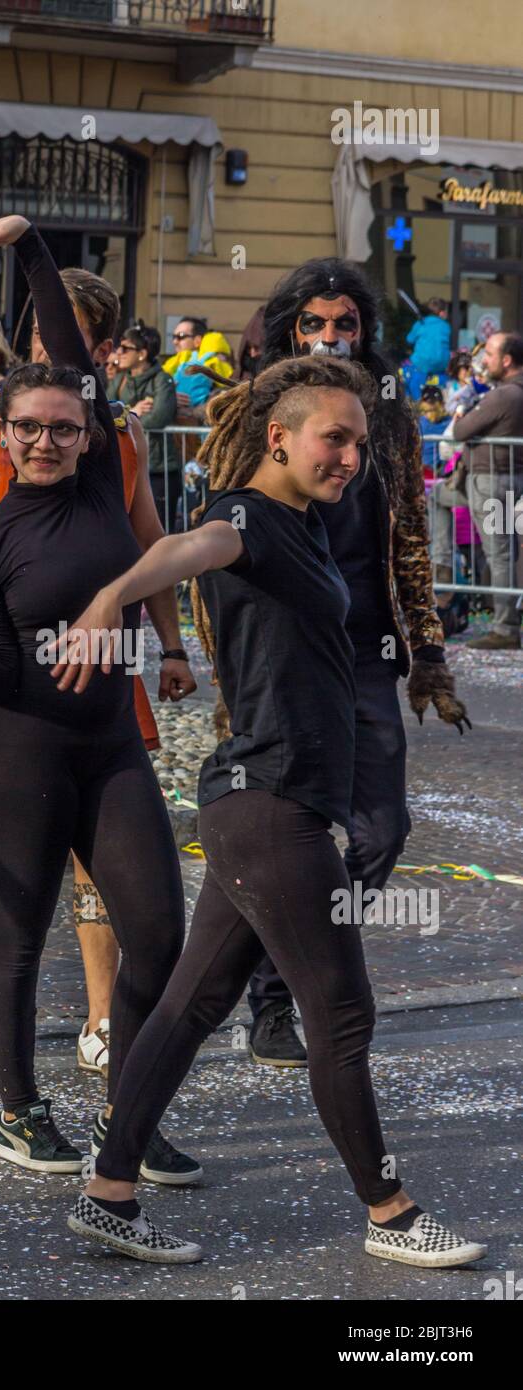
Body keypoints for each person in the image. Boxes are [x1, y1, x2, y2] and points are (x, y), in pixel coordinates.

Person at [56, 355, 486, 1271]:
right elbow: (189, 546)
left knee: (194, 1000)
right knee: (341, 1013)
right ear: (280, 437)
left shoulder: (305, 524)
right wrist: (111, 596)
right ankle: (390, 1210)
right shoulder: (245, 514)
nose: (351, 458)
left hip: (272, 805)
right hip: (268, 807)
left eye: (362, 444)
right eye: (335, 439)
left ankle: (109, 1189)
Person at [0, 214, 198, 1182]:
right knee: (21, 934)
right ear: (3, 434)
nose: (46, 439)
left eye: (62, 425)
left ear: (88, 431)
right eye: (27, 427)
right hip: (14, 750)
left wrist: (28, 242)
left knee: (158, 933)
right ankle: (18, 1108)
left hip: (109, 746)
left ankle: (127, 1115)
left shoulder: (95, 486)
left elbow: (68, 346)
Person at [238, 258, 469, 1069]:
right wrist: (231, 671)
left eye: (346, 325)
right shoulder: (258, 407)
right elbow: (220, 539)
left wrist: (428, 652)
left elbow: (408, 536)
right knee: (285, 832)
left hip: (367, 649)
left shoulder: (390, 414)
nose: (332, 338)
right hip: (285, 655)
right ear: (289, 328)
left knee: (380, 831)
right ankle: (271, 1002)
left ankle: (293, 964)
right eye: (315, 324)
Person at [432, 331, 523, 650]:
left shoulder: (504, 396)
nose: (483, 361)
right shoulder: (509, 392)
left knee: (499, 554)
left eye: (490, 355)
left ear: (507, 361)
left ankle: (506, 629)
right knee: (437, 497)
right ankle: (442, 566)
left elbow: (460, 430)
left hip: (491, 483)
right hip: (499, 482)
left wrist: (467, 408)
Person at [107, 322, 178, 530]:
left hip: (159, 469)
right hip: (124, 466)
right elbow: (105, 413)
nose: (119, 352)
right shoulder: (120, 379)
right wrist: (134, 411)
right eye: (119, 347)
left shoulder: (162, 379)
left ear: (142, 354)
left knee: (159, 531)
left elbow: (159, 418)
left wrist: (126, 415)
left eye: (126, 348)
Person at [405, 297, 452, 384]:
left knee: (405, 372)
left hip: (421, 363)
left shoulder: (420, 323)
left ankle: (411, 396)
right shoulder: (446, 326)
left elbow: (409, 340)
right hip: (441, 365)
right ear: (442, 313)